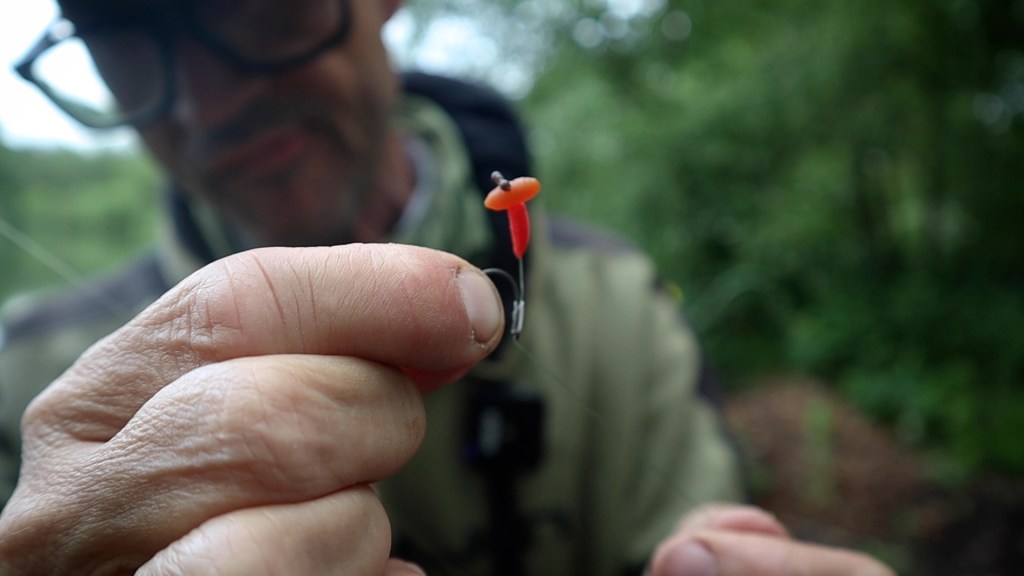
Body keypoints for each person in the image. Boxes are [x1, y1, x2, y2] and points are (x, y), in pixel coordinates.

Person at [0, 1, 895, 575]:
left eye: (255, 12)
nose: (209, 105)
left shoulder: (619, 305)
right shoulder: (34, 380)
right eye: (124, 45)